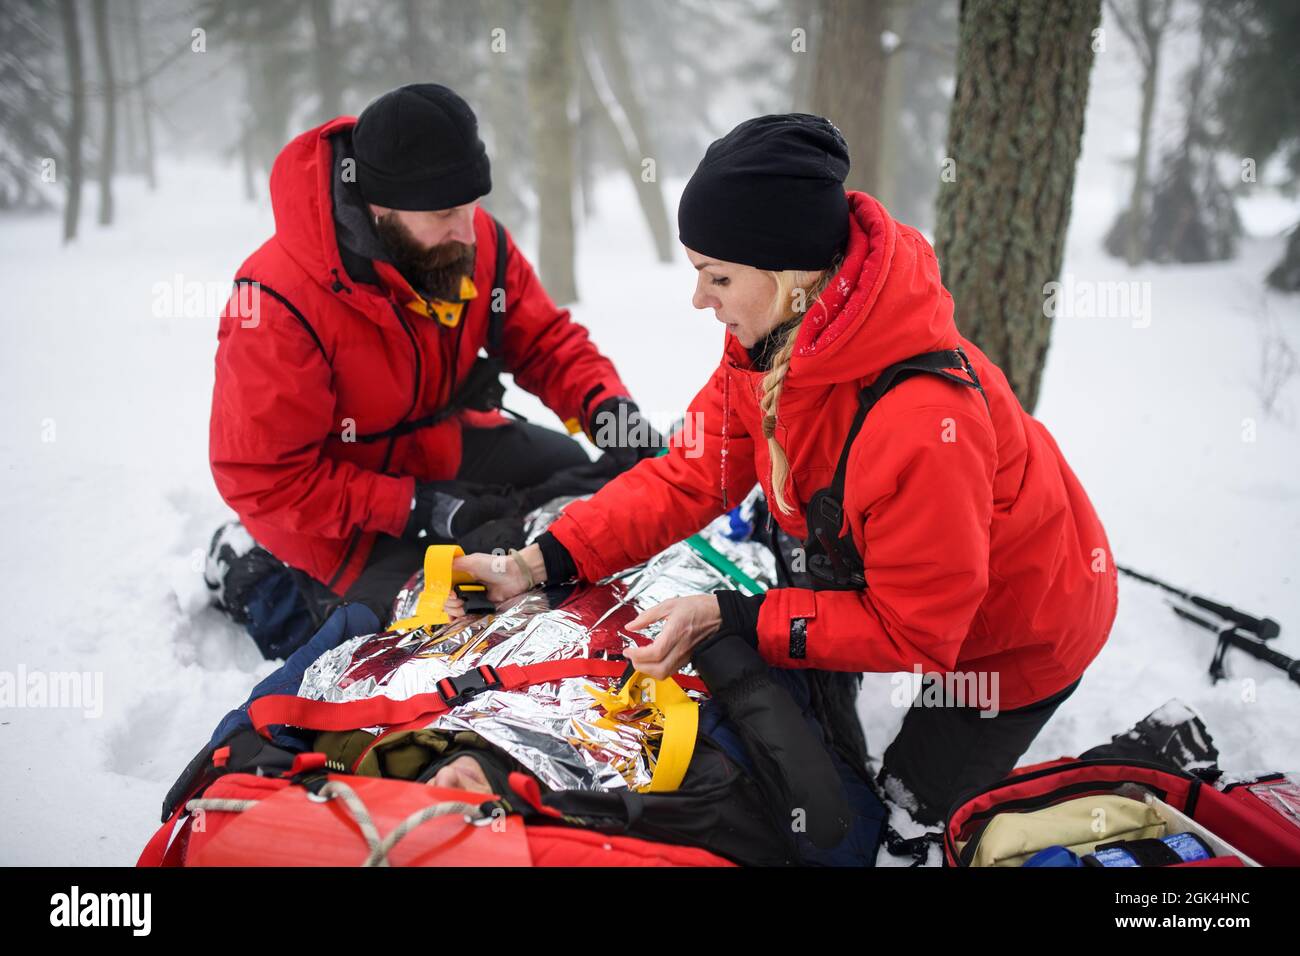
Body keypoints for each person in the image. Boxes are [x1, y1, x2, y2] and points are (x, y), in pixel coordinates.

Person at [448, 113, 1119, 826]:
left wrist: (736, 615)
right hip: (882, 567)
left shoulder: (921, 424)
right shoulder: (770, 345)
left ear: (786, 275)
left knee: (909, 814)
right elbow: (689, 475)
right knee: (822, 707)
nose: (699, 300)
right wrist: (535, 563)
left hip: (1019, 631)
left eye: (718, 277)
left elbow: (917, 631)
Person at [207, 84, 658, 640]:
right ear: (378, 207)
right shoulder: (277, 303)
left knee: (564, 465)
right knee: (418, 620)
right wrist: (420, 508)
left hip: (435, 447)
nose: (469, 233)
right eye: (446, 212)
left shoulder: (471, 241)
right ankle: (248, 568)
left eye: (473, 207)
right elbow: (265, 477)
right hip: (334, 506)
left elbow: (543, 341)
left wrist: (611, 413)